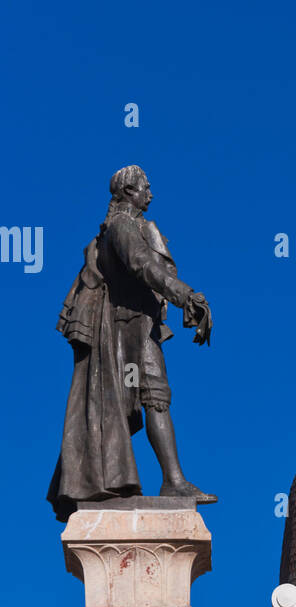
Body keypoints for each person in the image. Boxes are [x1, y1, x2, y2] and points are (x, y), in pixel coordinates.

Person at [48, 164, 215, 520]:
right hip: (125, 333)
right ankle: (154, 480)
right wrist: (186, 295)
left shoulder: (133, 225)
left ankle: (173, 480)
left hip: (142, 329)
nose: (150, 193)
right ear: (128, 191)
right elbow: (142, 265)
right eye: (145, 187)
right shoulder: (121, 227)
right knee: (140, 400)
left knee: (156, 399)